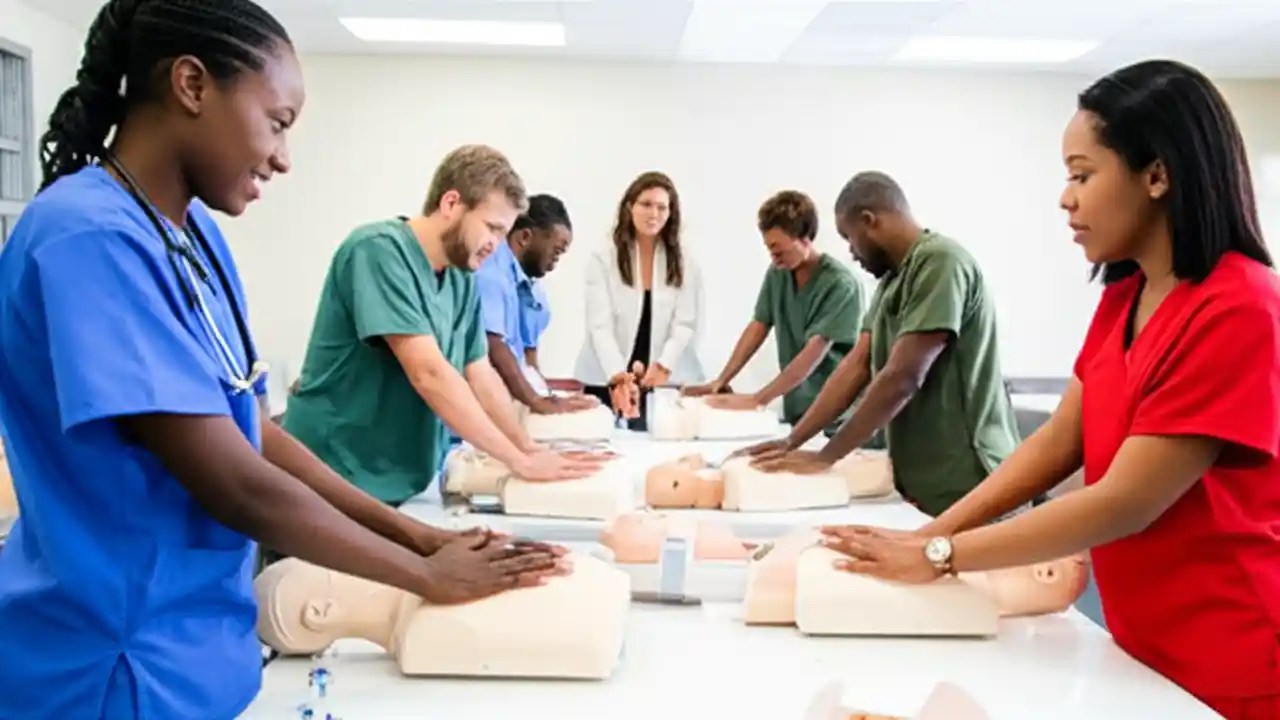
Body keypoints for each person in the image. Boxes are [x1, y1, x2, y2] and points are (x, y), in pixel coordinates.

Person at [0, 2, 562, 718]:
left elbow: (254, 430)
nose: (283, 156)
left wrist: (418, 534)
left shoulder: (191, 233)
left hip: (199, 645)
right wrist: (425, 574)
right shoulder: (86, 238)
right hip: (114, 662)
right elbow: (237, 483)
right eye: (277, 121)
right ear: (192, 85)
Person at [819, 60, 1280, 720]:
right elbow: (1060, 444)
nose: (1066, 198)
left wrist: (943, 554)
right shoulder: (1125, 300)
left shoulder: (1239, 306)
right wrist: (930, 537)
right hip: (1138, 643)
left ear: (1157, 175)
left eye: (1082, 174)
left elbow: (1125, 501)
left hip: (1228, 653)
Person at [284, 146, 600, 508]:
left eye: (504, 232)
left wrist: (525, 445)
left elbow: (480, 374)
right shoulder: (378, 251)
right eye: (492, 228)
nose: (496, 245)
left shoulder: (460, 277)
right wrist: (518, 461)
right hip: (331, 475)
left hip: (394, 481)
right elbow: (430, 373)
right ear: (451, 204)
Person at [738, 172, 1020, 517]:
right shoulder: (892, 281)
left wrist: (827, 456)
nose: (852, 253)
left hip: (971, 479)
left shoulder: (941, 263)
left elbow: (902, 377)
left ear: (869, 221)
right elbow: (856, 365)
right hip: (927, 485)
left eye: (850, 238)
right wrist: (792, 441)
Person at [682, 190, 864, 429]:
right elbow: (758, 326)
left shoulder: (841, 285)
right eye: (770, 251)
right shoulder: (778, 274)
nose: (774, 259)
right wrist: (721, 380)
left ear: (805, 239)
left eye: (779, 251)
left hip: (838, 417)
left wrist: (758, 399)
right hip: (797, 414)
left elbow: (813, 353)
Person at [574, 171, 705, 430]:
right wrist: (617, 377)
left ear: (671, 214)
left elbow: (686, 324)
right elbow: (599, 325)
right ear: (629, 207)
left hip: (663, 375)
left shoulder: (684, 260)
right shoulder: (603, 256)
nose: (653, 214)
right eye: (646, 204)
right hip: (608, 374)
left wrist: (664, 365)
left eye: (662, 207)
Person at [475, 193, 594, 413]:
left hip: (505, 404)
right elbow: (494, 345)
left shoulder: (530, 288)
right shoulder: (491, 269)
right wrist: (535, 401)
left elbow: (528, 358)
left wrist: (547, 396)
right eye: (556, 251)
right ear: (525, 237)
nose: (555, 261)